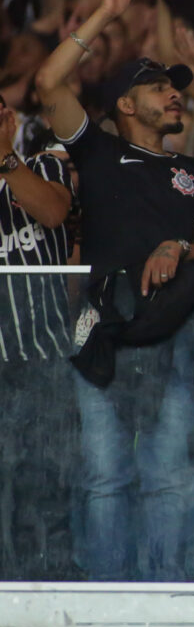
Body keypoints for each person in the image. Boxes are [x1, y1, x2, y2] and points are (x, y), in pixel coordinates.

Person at [34, 0, 194, 581]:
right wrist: (106, 15)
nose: (175, 93)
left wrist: (179, 248)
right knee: (104, 477)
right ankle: (107, 605)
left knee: (168, 475)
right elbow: (48, 83)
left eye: (176, 85)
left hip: (175, 333)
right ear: (125, 103)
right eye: (158, 85)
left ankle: (164, 600)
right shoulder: (97, 149)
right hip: (102, 332)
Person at [0, 99, 74, 576]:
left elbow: (51, 212)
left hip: (41, 359)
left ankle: (45, 592)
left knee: (43, 488)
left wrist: (5, 157)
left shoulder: (46, 164)